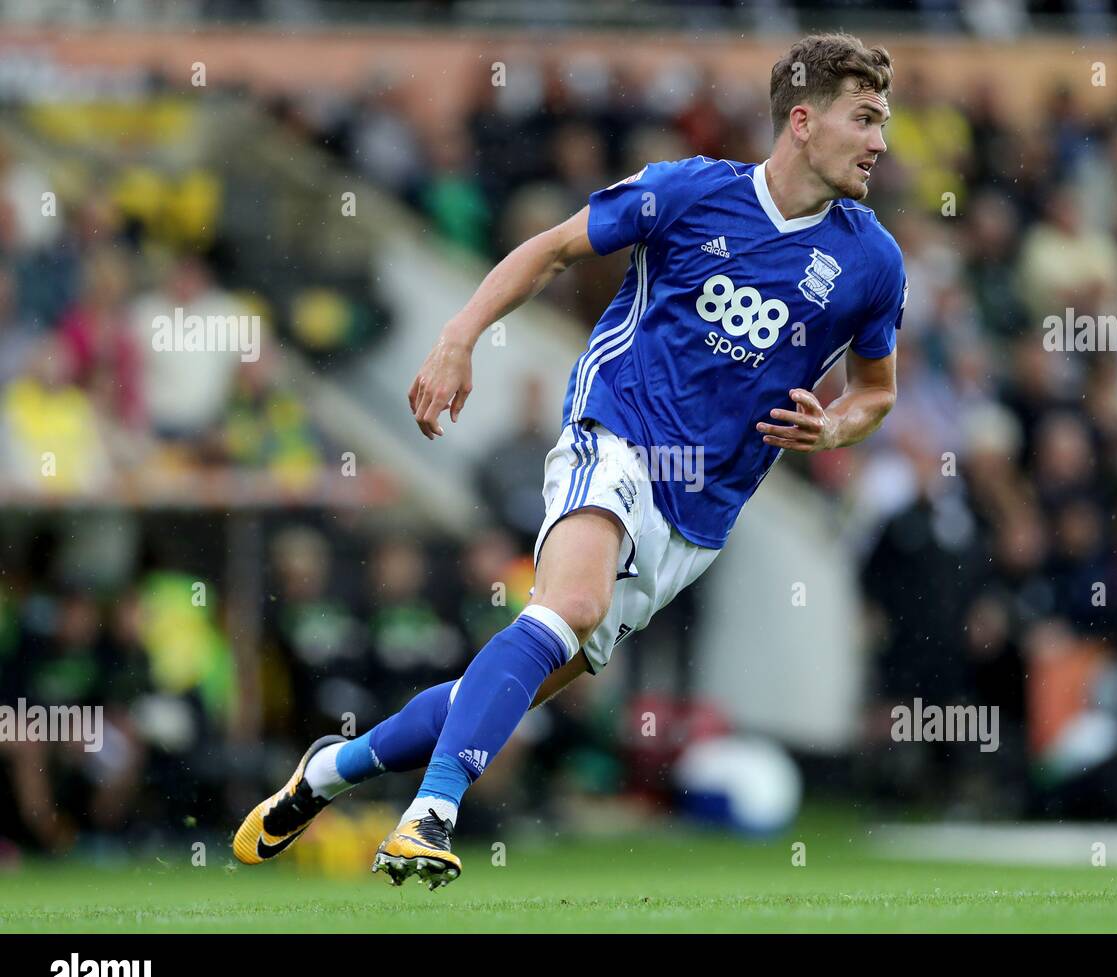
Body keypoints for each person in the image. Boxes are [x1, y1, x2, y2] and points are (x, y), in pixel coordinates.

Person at [234, 32, 908, 890]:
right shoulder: (687, 191)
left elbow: (876, 391)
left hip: (698, 518)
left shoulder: (871, 259)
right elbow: (550, 248)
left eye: (884, 120)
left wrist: (835, 429)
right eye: (867, 117)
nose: (882, 140)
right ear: (804, 122)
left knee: (514, 681)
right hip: (614, 431)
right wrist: (457, 338)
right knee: (572, 601)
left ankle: (331, 769)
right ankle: (431, 815)